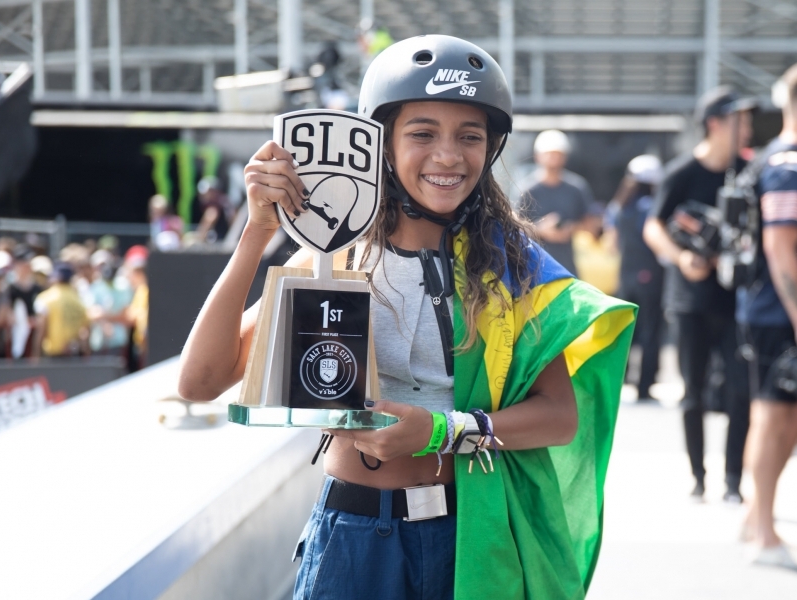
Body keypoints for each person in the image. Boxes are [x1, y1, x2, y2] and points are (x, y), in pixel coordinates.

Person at [178, 35, 635, 600]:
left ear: (491, 148)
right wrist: (258, 232)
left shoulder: (511, 266)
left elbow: (559, 417)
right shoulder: (334, 255)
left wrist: (443, 431)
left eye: (470, 136)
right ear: (382, 143)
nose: (448, 155)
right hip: (353, 541)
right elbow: (200, 382)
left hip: (474, 539)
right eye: (422, 133)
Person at [644, 86, 755, 503]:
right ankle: (698, 478)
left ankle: (733, 481)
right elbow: (654, 226)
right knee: (693, 391)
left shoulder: (749, 171)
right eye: (740, 120)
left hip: (737, 300)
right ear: (715, 124)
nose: (747, 128)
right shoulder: (683, 173)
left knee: (741, 390)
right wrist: (682, 258)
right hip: (690, 302)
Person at [738, 64, 797, 569]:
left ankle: (755, 518)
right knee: (775, 418)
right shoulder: (787, 165)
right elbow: (781, 247)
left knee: (777, 417)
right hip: (780, 314)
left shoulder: (770, 158)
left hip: (770, 310)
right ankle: (764, 533)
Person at [605, 155, 665, 401]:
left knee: (626, 331)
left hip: (625, 274)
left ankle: (619, 383)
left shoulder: (618, 206)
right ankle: (644, 386)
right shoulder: (650, 206)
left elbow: (611, 244)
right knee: (651, 331)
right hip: (650, 273)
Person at [517, 129, 594, 276]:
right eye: (549, 154)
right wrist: (540, 230)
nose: (553, 158)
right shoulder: (526, 189)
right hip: (533, 268)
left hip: (567, 267)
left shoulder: (577, 188)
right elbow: (514, 227)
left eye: (558, 154)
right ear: (538, 156)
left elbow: (590, 224)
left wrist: (570, 228)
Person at [33, 262, 89, 357]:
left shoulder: (46, 298)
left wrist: (36, 354)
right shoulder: (79, 300)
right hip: (74, 353)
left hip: (53, 353)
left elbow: (42, 328)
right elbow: (85, 330)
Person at [7, 244, 41, 358]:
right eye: (23, 263)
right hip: (13, 337)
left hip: (33, 338)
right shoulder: (9, 289)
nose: (26, 267)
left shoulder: (37, 288)